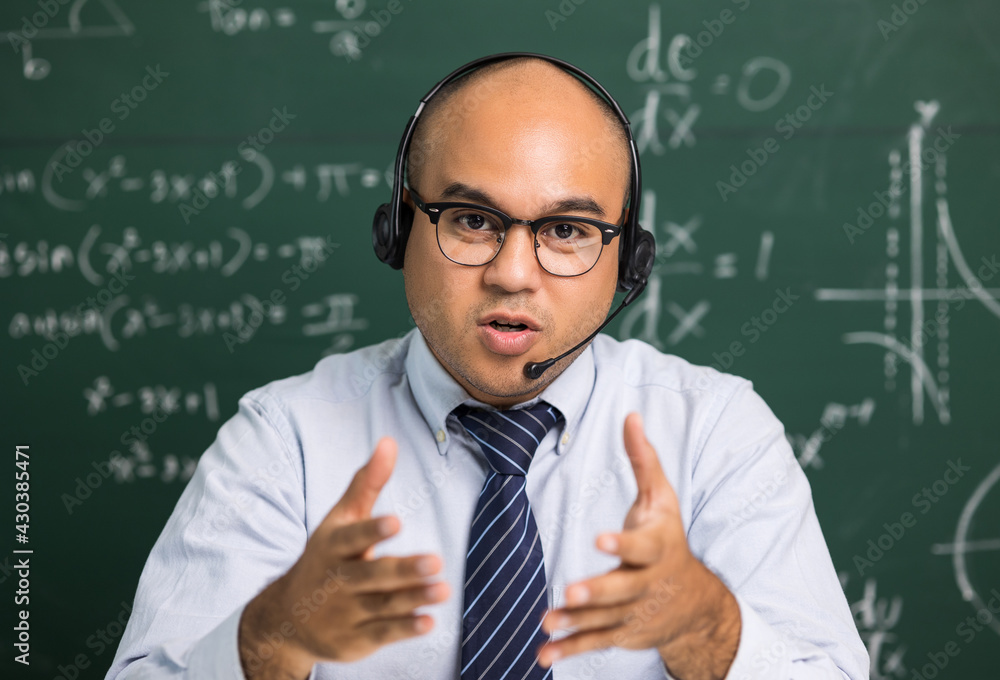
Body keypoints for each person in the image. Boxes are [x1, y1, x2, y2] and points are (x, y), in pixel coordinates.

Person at [106, 53, 868, 680]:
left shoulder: (716, 434)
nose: (513, 273)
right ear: (399, 228)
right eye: (472, 220)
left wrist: (710, 630)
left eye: (566, 230)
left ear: (627, 260)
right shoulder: (284, 442)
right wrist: (268, 641)